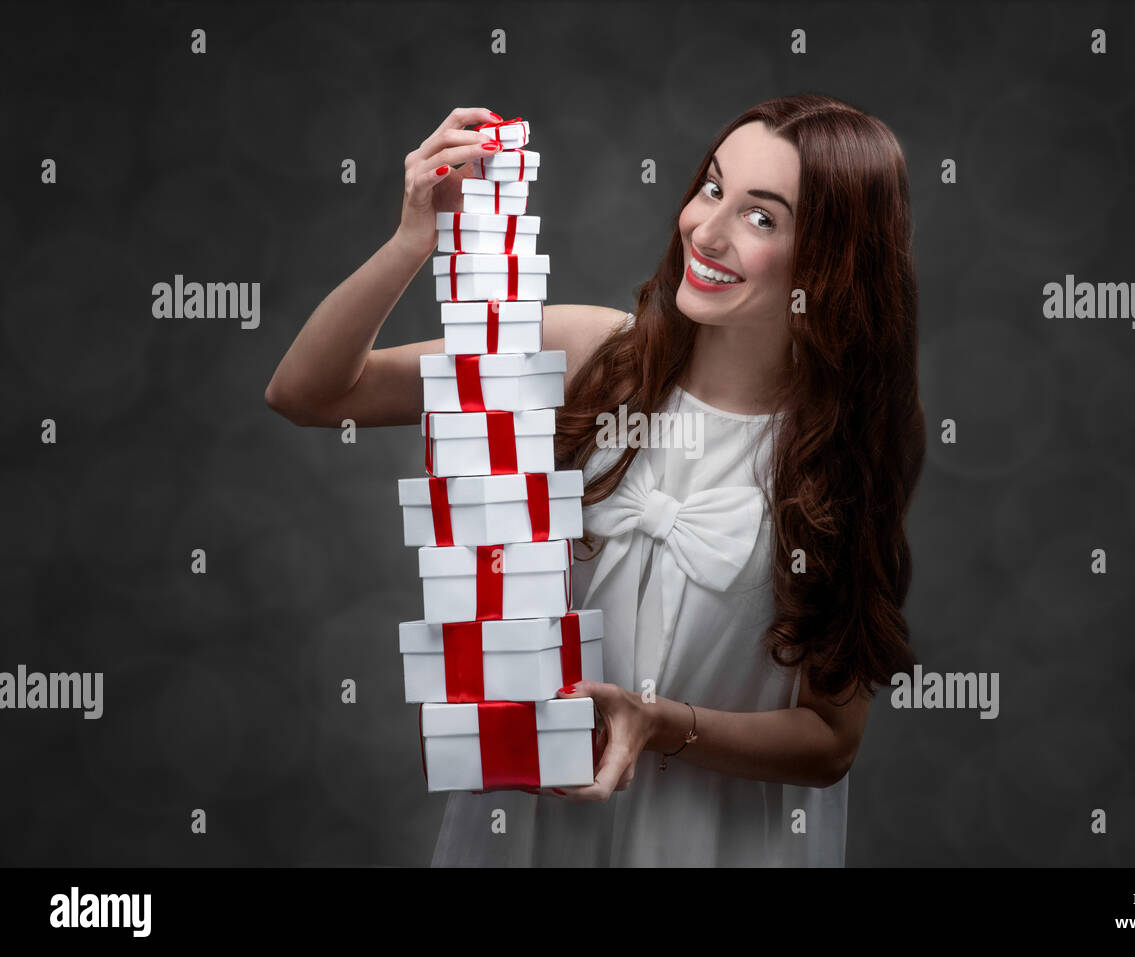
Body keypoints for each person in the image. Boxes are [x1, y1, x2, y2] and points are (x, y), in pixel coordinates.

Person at [266, 94, 926, 866]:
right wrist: (415, 240)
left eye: (762, 217)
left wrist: (658, 723)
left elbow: (829, 742)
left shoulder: (842, 445)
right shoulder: (590, 353)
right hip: (533, 828)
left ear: (832, 264)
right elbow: (309, 393)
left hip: (716, 839)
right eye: (712, 188)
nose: (705, 232)